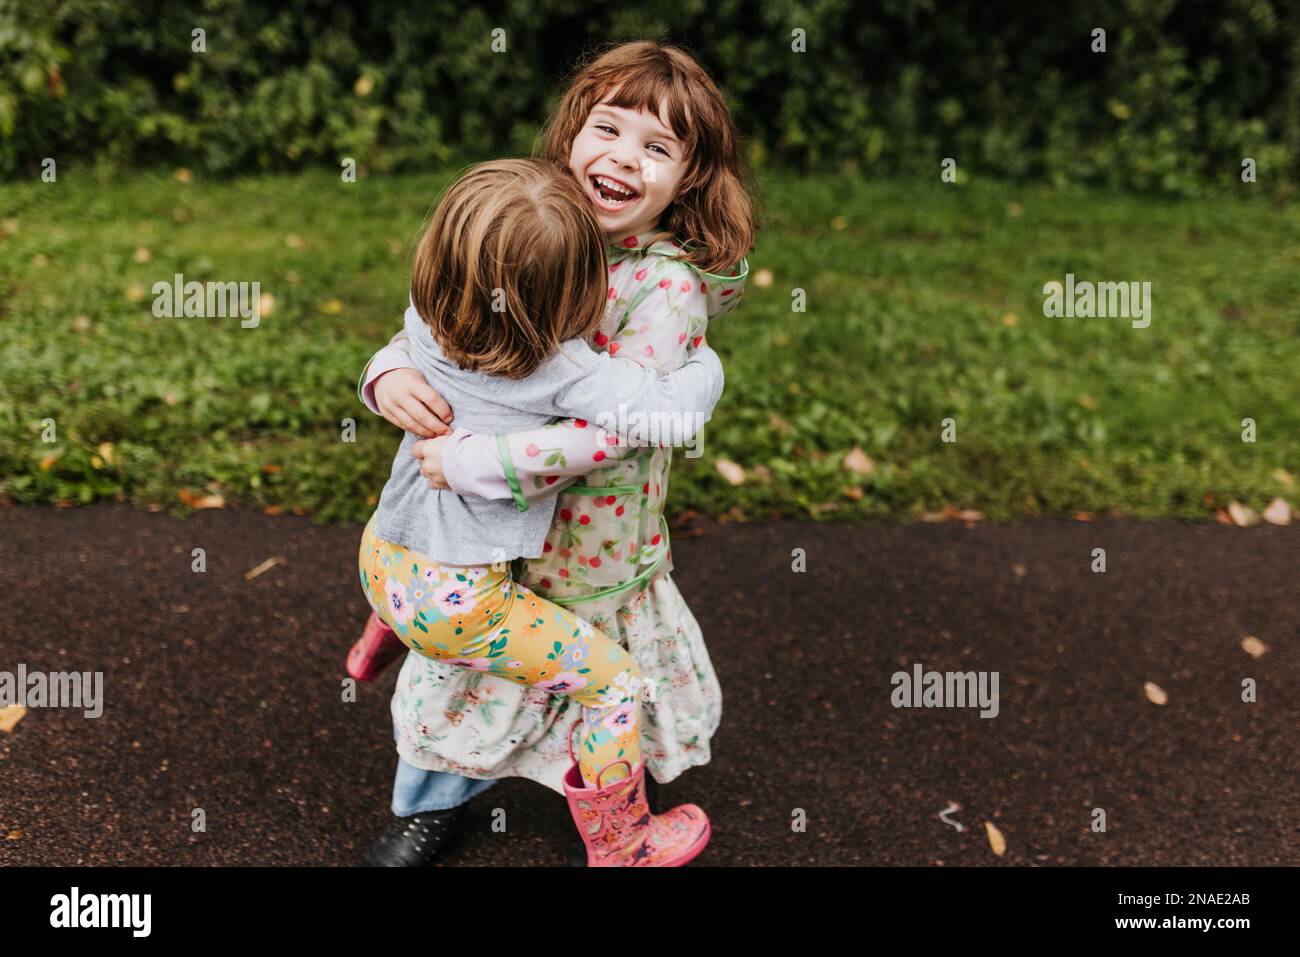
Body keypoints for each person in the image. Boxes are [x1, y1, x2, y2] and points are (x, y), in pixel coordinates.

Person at [354, 40, 757, 866]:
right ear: (572, 132)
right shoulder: (522, 220)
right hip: (485, 546)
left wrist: (481, 462)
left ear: (690, 179)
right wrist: (386, 375)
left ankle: (608, 795)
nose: (623, 157)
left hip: (585, 543)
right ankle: (427, 804)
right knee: (468, 673)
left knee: (592, 668)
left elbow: (623, 429)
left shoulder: (662, 287)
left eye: (658, 147)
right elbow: (431, 324)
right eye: (608, 128)